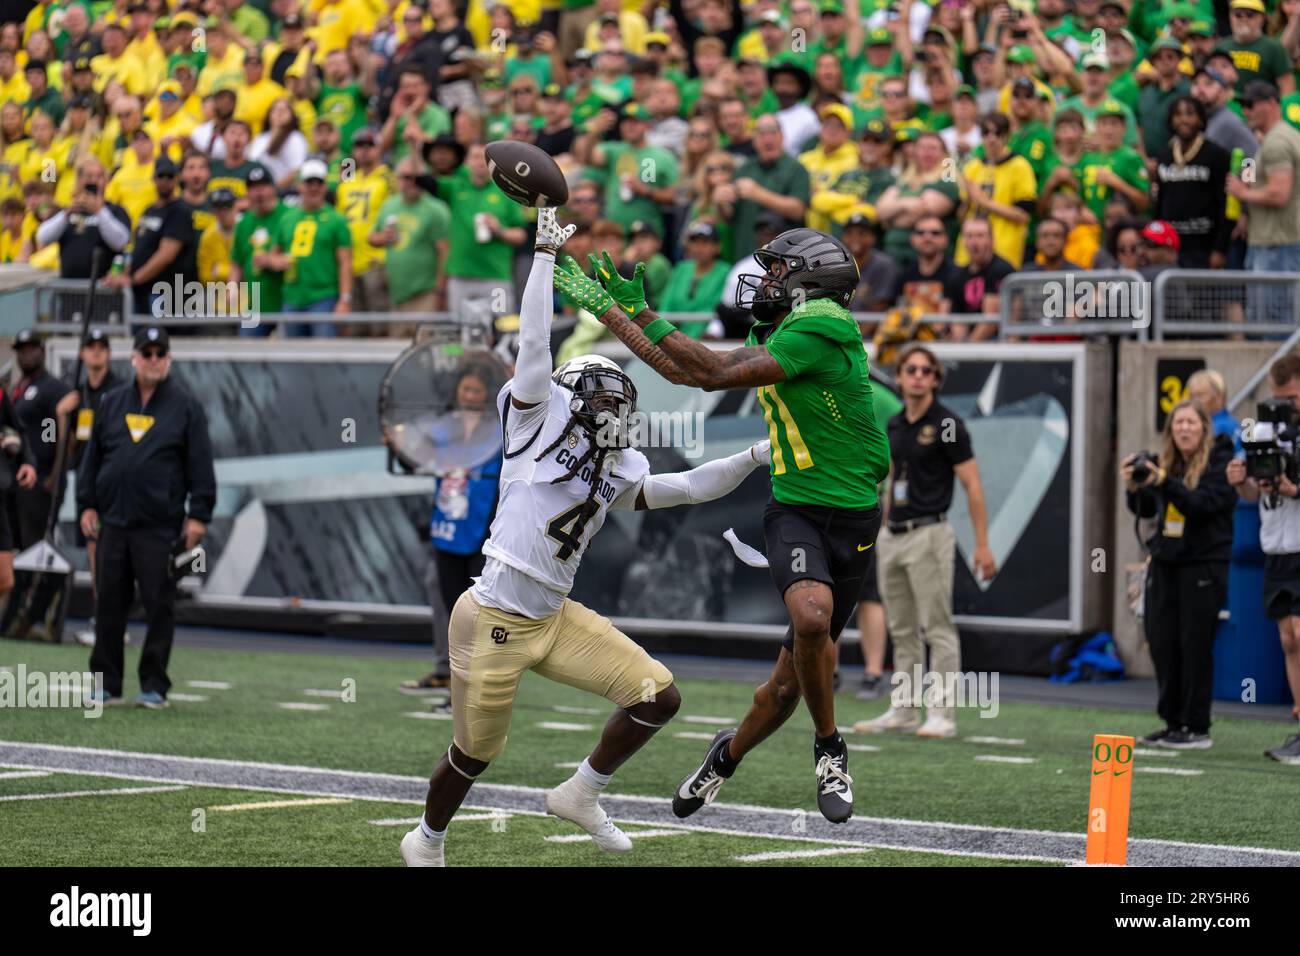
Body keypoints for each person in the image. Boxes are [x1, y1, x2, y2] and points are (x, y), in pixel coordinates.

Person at [400, 208, 770, 867]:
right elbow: (536, 346)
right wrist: (543, 254)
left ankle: (581, 792)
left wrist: (750, 458)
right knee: (476, 752)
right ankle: (426, 838)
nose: (609, 408)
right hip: (493, 616)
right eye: (597, 396)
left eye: (617, 399)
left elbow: (687, 488)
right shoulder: (532, 422)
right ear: (570, 396)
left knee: (659, 696)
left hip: (554, 615)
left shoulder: (620, 465)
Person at [579, 227, 890, 823]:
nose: (766, 281)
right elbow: (689, 373)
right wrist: (615, 314)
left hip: (853, 513)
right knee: (812, 620)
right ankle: (830, 746)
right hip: (795, 506)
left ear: (811, 281)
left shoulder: (825, 325)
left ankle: (725, 756)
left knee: (782, 690)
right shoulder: (781, 330)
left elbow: (713, 372)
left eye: (778, 271)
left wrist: (640, 310)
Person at [857, 343, 996, 739]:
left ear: (936, 379)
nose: (917, 376)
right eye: (910, 369)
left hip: (930, 532)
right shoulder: (897, 423)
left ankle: (942, 713)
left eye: (925, 370)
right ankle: (904, 708)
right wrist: (879, 530)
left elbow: (972, 484)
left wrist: (982, 544)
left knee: (936, 626)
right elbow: (890, 482)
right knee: (901, 628)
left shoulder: (948, 424)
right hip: (894, 533)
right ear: (899, 377)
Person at [79, 326, 216, 709]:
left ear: (168, 359)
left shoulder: (186, 406)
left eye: (160, 353)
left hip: (159, 523)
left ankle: (154, 684)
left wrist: (199, 515)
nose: (154, 360)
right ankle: (106, 682)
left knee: (159, 604)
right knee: (108, 603)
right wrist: (87, 504)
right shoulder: (111, 402)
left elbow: (200, 465)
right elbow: (93, 459)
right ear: (134, 357)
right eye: (147, 353)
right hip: (114, 521)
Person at [1124, 401, 1236, 749]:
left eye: (1191, 422)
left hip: (1202, 565)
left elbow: (1200, 504)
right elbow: (1145, 510)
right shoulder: (1166, 463)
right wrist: (1134, 486)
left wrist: (1164, 480)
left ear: (1203, 427)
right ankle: (1172, 722)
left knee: (1194, 645)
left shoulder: (1219, 462)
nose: (1184, 429)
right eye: (1178, 423)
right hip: (1165, 563)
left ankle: (1196, 726)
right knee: (1162, 643)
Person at [399, 365, 502, 694]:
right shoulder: (445, 428)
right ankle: (453, 679)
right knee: (453, 607)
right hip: (448, 528)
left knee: (478, 612)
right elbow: (415, 460)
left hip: (483, 527)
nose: (469, 396)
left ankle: (480, 682)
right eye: (465, 389)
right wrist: (396, 442)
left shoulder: (500, 429)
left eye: (476, 390)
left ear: (487, 394)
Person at [1227, 355, 1300, 764]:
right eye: (1277, 397)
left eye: (1290, 397)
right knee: (1288, 637)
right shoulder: (1263, 429)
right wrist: (1242, 482)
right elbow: (1256, 493)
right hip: (1275, 545)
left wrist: (1294, 488)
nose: (1283, 405)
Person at [56, 328, 123, 647]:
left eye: (102, 347)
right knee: (95, 554)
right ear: (82, 354)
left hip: (114, 484)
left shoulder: (121, 391)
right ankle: (104, 620)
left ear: (109, 353)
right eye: (90, 347)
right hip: (87, 486)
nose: (96, 353)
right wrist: (58, 416)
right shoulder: (77, 394)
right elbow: (62, 448)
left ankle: (112, 621)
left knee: (113, 556)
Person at [266, 159, 353, 337]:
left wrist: (344, 300)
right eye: (309, 182)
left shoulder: (336, 220)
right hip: (292, 297)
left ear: (324, 187)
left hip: (323, 297)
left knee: (324, 356)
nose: (314, 187)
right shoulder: (287, 218)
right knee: (293, 357)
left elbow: (345, 263)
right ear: (300, 185)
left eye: (318, 183)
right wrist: (276, 261)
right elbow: (272, 255)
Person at [373, 155, 451, 334]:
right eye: (406, 177)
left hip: (425, 294)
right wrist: (383, 237)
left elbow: (444, 253)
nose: (411, 182)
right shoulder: (389, 206)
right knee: (396, 352)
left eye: (417, 178)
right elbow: (372, 238)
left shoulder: (436, 209)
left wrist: (440, 292)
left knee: (423, 351)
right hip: (397, 295)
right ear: (397, 179)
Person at [1153, 96, 1231, 269]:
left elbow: (1225, 202)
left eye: (1190, 114)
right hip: (1170, 247)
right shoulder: (1164, 155)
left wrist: (1220, 248)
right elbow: (1159, 202)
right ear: (1171, 120)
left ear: (1200, 119)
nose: (1184, 119)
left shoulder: (1217, 154)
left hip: (1205, 246)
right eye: (1178, 114)